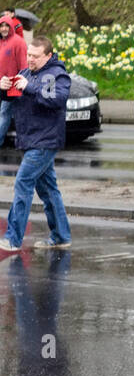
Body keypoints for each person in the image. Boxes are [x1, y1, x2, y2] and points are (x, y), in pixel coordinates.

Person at [0, 35, 71, 253]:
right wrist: (4, 88)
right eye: (29, 54)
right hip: (31, 140)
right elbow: (13, 97)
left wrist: (28, 86)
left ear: (48, 56)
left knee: (22, 183)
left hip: (45, 141)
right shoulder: (26, 73)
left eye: (35, 56)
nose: (30, 59)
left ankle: (12, 238)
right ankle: (60, 236)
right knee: (49, 190)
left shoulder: (56, 74)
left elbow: (54, 99)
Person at [0, 14, 27, 146]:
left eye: (6, 25)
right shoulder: (1, 41)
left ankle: (23, 142)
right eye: (1, 26)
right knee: (6, 114)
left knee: (8, 114)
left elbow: (24, 65)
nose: (4, 28)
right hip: (2, 86)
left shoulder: (18, 42)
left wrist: (20, 82)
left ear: (11, 26)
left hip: (14, 86)